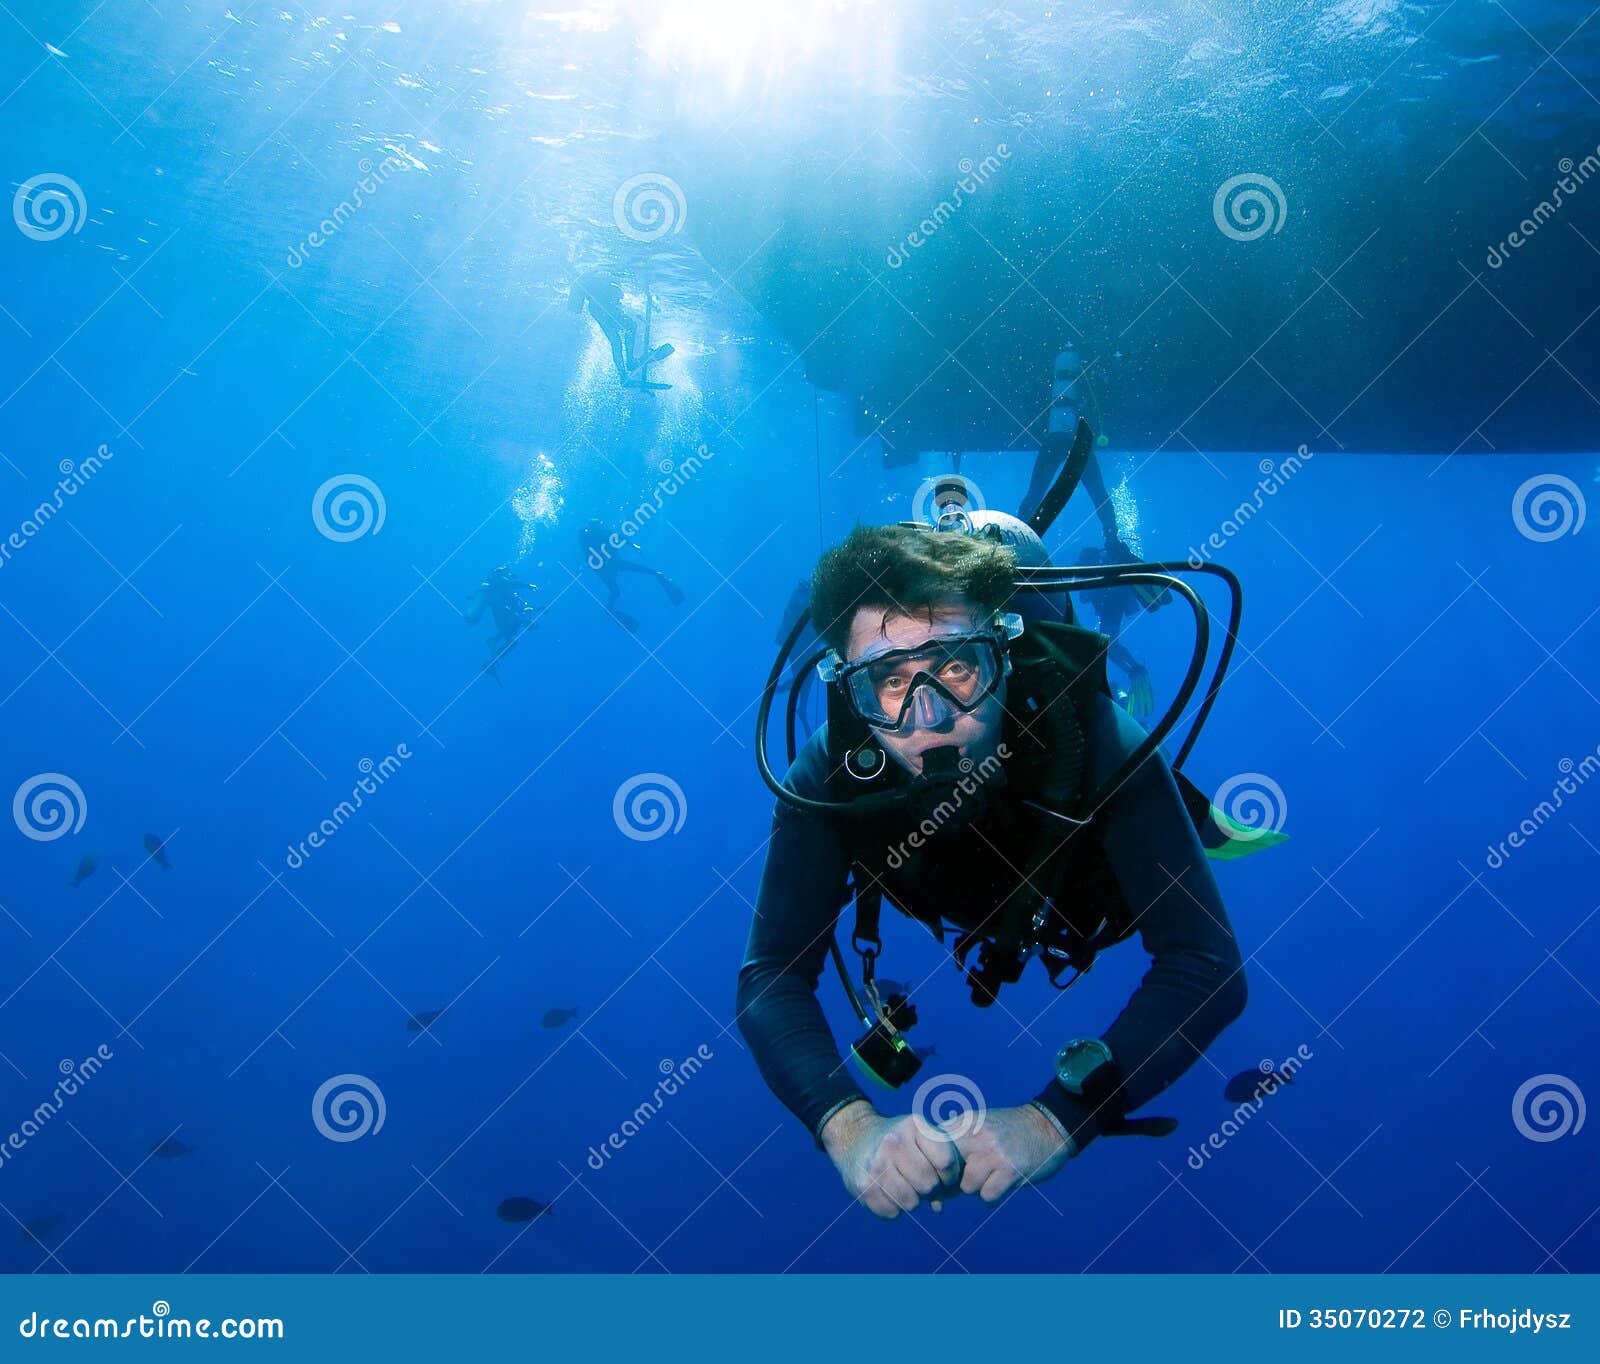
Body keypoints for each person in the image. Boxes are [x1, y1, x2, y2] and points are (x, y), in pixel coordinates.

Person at [737, 524, 1248, 1220]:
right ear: (850, 690)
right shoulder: (828, 775)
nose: (930, 717)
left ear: (1002, 655)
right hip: (983, 897)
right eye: (888, 680)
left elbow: (1206, 961)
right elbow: (771, 974)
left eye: (956, 666)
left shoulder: (1093, 734)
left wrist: (1054, 1120)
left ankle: (1190, 812)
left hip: (1079, 895)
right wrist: (850, 1130)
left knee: (1155, 821)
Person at [567, 268, 674, 381]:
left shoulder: (584, 279)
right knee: (630, 328)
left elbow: (575, 307)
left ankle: (624, 373)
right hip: (606, 307)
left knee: (617, 341)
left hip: (600, 309)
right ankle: (630, 363)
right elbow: (613, 286)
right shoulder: (588, 277)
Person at [580, 518, 685, 633]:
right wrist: (634, 546)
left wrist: (634, 546)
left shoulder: (600, 534)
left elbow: (620, 537)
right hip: (608, 568)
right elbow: (619, 538)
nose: (599, 528)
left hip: (611, 566)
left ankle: (609, 609)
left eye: (599, 526)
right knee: (617, 591)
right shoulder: (590, 537)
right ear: (593, 527)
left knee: (616, 591)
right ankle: (609, 609)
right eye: (598, 527)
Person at [464, 564, 542, 679]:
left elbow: (515, 605)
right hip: (502, 616)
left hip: (505, 616)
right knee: (510, 637)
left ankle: (493, 649)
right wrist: (527, 585)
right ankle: (493, 649)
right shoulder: (500, 582)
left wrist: (532, 610)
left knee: (511, 637)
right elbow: (510, 585)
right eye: (508, 574)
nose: (509, 576)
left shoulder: (503, 588)